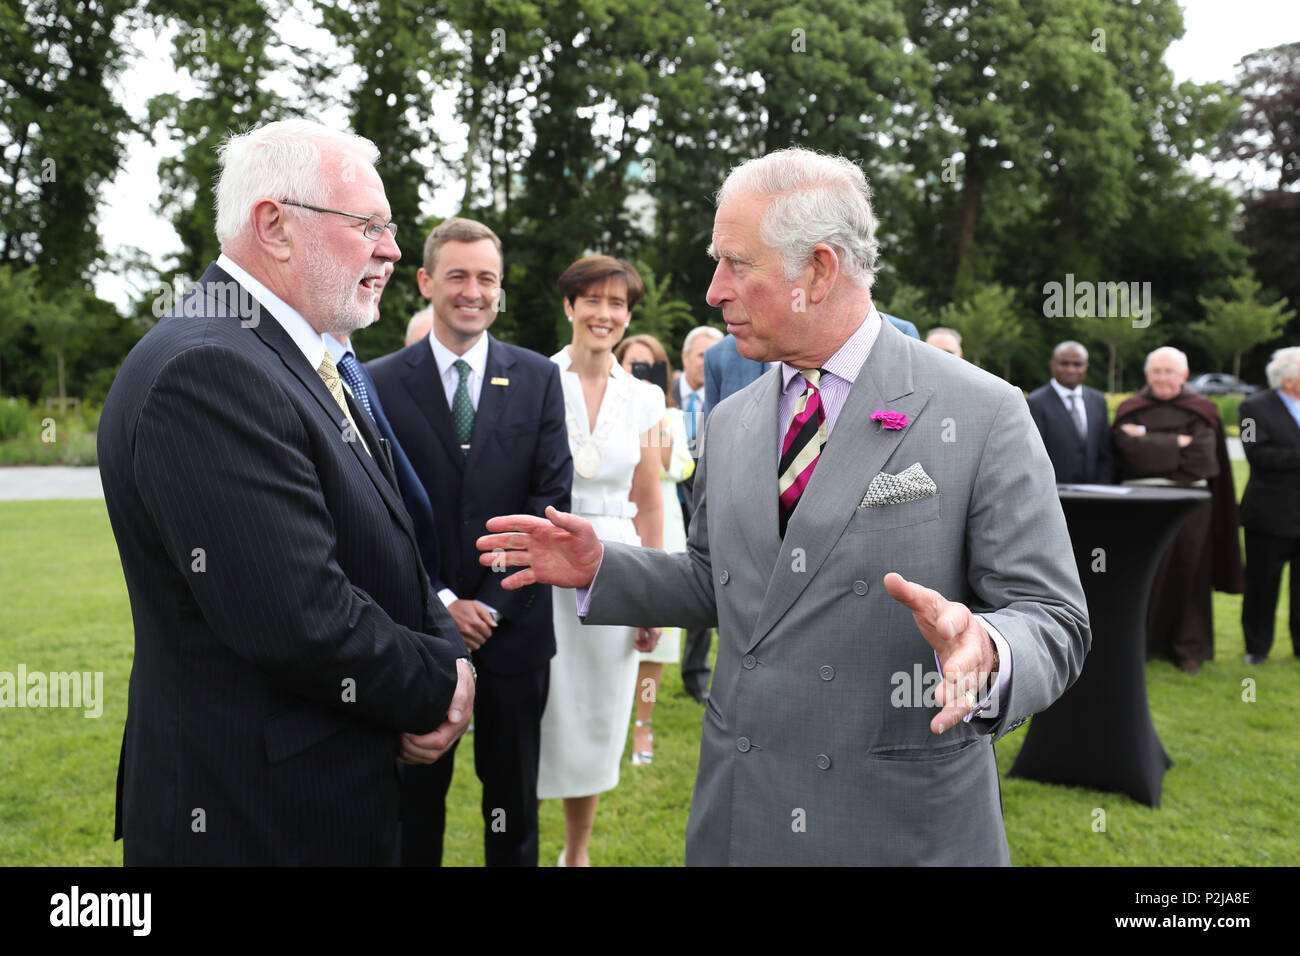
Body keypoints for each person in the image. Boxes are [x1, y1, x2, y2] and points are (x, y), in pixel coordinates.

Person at [480, 148, 1090, 866]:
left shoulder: (981, 412)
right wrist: (601, 569)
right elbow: (727, 583)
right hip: (744, 817)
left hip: (897, 826)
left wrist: (988, 649)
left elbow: (1054, 621)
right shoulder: (733, 420)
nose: (713, 290)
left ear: (819, 271)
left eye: (736, 264)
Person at [96, 119, 473, 865]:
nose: (393, 250)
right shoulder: (209, 370)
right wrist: (444, 680)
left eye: (390, 228)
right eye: (369, 225)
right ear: (274, 226)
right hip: (255, 817)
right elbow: (300, 617)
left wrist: (446, 648)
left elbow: (390, 546)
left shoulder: (306, 356)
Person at [367, 218, 572, 866]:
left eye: (487, 278)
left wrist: (486, 605)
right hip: (417, 635)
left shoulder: (538, 377)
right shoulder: (375, 381)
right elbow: (374, 510)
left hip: (512, 629)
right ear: (427, 281)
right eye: (458, 275)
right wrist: (442, 603)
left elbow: (548, 500)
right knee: (411, 810)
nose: (473, 291)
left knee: (512, 811)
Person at [542, 255, 664, 866]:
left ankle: (576, 852)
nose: (605, 314)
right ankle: (516, 838)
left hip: (613, 566)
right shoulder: (535, 377)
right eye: (593, 300)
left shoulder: (645, 397)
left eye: (617, 304)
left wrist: (654, 593)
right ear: (570, 306)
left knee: (596, 709)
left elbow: (648, 500)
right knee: (538, 703)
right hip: (543, 555)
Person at [1112, 346, 1244, 674]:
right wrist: (1178, 444)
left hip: (1191, 507)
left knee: (1191, 573)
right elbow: (1128, 455)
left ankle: (1189, 648)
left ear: (1184, 375)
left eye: (1169, 371)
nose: (1162, 378)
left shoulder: (1203, 410)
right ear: (1147, 375)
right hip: (1139, 504)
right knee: (1143, 574)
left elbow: (1204, 460)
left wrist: (1148, 440)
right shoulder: (1131, 408)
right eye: (1156, 371)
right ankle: (1138, 645)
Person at [616, 333, 695, 763]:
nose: (638, 372)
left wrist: (662, 435)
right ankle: (605, 719)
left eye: (648, 365)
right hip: (613, 523)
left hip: (662, 526)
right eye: (632, 364)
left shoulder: (671, 416)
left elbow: (682, 467)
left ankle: (642, 725)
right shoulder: (603, 409)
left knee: (658, 641)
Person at [1238, 346, 1300, 664]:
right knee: (1263, 585)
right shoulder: (1253, 407)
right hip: (1269, 515)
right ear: (1289, 379)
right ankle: (1257, 648)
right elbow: (1256, 454)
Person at [674, 325, 722, 703]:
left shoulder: (724, 399)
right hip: (668, 502)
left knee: (703, 580)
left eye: (714, 356)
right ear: (685, 357)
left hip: (707, 505)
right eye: (700, 355)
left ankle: (697, 674)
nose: (707, 364)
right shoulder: (662, 397)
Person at [1026, 341, 1114, 485]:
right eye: (1064, 363)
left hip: (1095, 494)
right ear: (1052, 365)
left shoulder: (1098, 400)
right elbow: (1034, 455)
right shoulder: (1035, 402)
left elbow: (1104, 451)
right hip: (1054, 493)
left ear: (1086, 366)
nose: (1071, 369)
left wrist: (1103, 485)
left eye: (1077, 364)